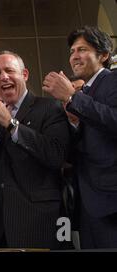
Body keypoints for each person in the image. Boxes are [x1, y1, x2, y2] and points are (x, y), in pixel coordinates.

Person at [0, 50, 70, 249]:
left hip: (39, 221)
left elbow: (56, 155)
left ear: (24, 75)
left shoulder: (50, 108)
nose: (3, 77)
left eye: (9, 70)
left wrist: (11, 124)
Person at [43, 26, 117, 249]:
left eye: (82, 49)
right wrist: (73, 122)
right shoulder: (84, 94)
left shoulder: (112, 81)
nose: (74, 56)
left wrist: (73, 98)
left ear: (103, 55)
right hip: (88, 205)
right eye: (72, 51)